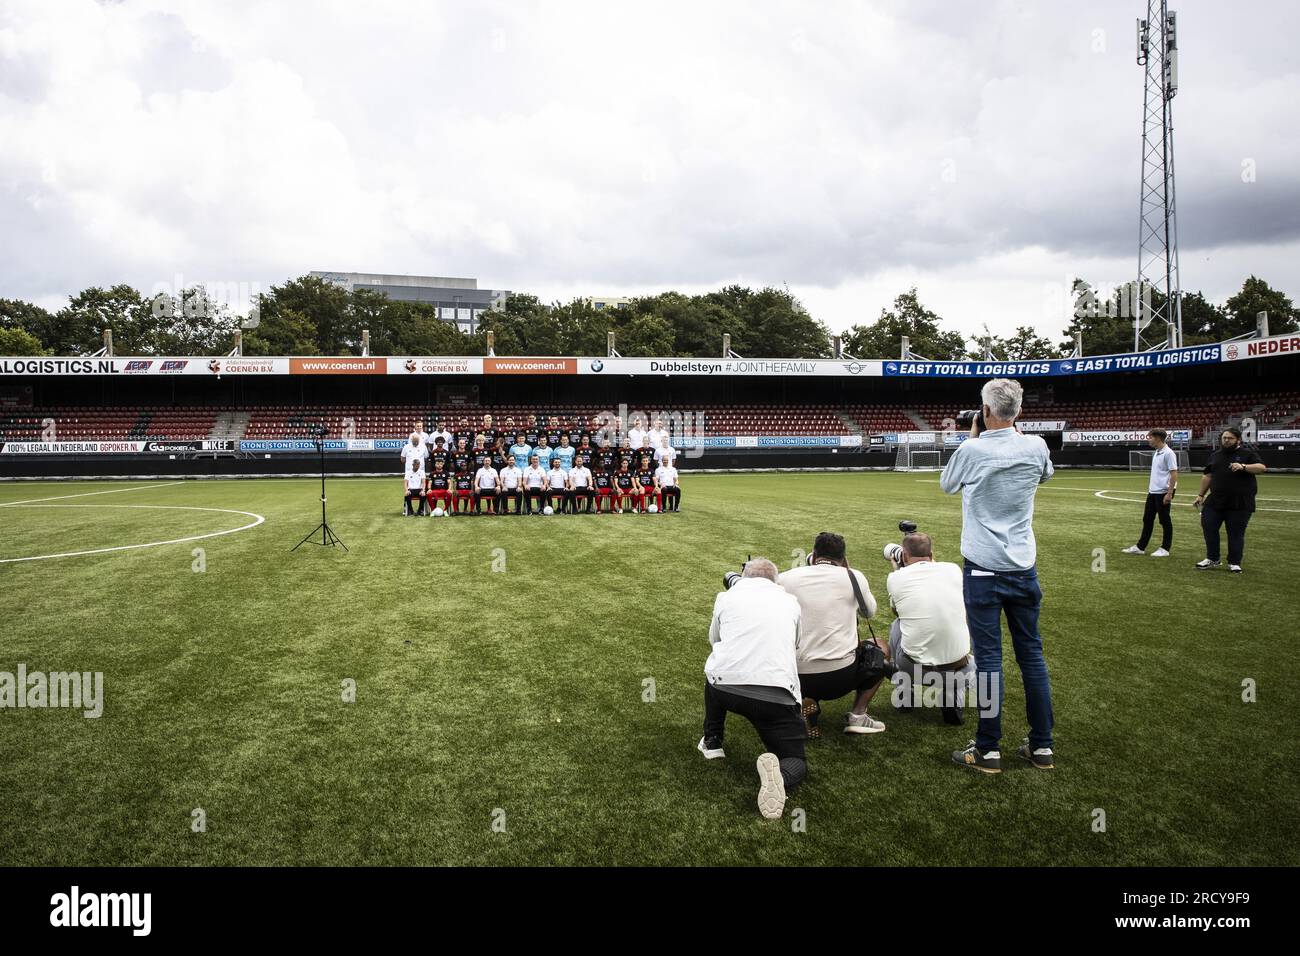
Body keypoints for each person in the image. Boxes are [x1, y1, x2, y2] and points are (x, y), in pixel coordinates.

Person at [939, 378, 1055, 774]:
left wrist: (975, 438)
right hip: (1023, 566)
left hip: (983, 567)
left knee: (989, 659)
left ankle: (988, 749)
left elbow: (947, 484)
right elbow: (1045, 476)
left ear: (985, 411)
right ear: (1018, 412)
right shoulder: (1036, 445)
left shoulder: (972, 448)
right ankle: (1042, 747)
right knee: (1033, 655)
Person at [700, 557, 806, 820]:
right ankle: (779, 777)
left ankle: (713, 740)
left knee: (715, 670)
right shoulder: (789, 602)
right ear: (775, 580)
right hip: (777, 694)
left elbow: (714, 640)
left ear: (744, 576)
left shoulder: (726, 597)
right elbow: (796, 645)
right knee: (795, 760)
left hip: (726, 686)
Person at [778, 532, 886, 737]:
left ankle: (804, 703)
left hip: (793, 675)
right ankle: (858, 715)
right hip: (840, 676)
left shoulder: (785, 578)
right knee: (881, 646)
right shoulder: (853, 576)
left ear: (813, 556)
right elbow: (869, 613)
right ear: (844, 559)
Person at [884, 533, 974, 726]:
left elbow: (897, 611)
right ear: (932, 553)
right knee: (958, 629)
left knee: (898, 625)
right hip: (961, 670)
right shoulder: (953, 570)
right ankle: (952, 698)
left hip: (913, 669)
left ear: (905, 556)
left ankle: (904, 694)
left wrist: (898, 569)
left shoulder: (895, 578)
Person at [1194, 426, 1266, 573]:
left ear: (1238, 440)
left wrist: (1243, 466)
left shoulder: (1247, 454)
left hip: (1240, 502)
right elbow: (1208, 475)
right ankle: (1213, 558)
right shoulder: (1215, 455)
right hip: (1215, 500)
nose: (1226, 440)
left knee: (1235, 533)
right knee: (1208, 526)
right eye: (1224, 438)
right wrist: (1200, 495)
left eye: (1230, 438)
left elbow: (1261, 468)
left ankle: (1234, 562)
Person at [1122, 428, 1178, 558]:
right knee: (1147, 519)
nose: (1148, 439)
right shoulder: (1157, 452)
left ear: (1158, 438)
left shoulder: (1168, 453)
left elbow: (1174, 474)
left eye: (1150, 437)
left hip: (1163, 492)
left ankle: (1165, 548)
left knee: (1164, 520)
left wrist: (1169, 493)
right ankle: (1140, 547)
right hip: (1153, 492)